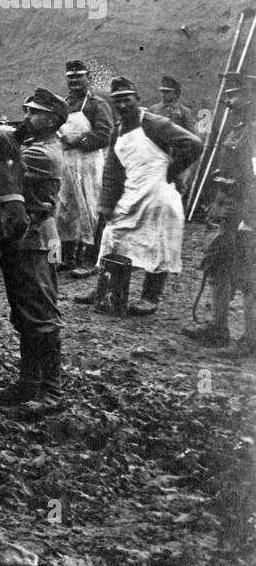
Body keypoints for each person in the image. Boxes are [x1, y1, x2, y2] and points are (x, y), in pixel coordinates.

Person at [0, 91, 67, 411]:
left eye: (34, 113)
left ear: (52, 120)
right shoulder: (35, 145)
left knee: (43, 316)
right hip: (27, 239)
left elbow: (2, 155)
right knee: (25, 314)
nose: (27, 117)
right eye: (28, 111)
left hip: (38, 241)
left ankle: (52, 393)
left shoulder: (42, 154)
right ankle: (28, 384)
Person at [75, 77, 202, 316]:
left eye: (126, 100)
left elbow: (193, 143)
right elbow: (112, 169)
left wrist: (173, 169)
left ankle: (150, 297)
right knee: (114, 236)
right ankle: (107, 286)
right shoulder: (119, 128)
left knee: (157, 242)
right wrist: (106, 202)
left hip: (159, 193)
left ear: (137, 99)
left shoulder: (155, 123)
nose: (122, 105)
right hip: (133, 192)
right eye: (117, 101)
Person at [183, 73, 256, 356]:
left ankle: (250, 341)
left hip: (246, 216)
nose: (227, 100)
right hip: (228, 212)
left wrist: (248, 219)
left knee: (249, 278)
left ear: (249, 98)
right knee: (217, 268)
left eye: (234, 94)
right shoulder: (237, 128)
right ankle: (217, 328)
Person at [56, 60, 114, 275]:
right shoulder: (63, 104)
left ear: (88, 78)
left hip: (88, 163)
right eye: (71, 77)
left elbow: (104, 134)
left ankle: (90, 261)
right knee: (65, 209)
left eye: (79, 76)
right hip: (66, 162)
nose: (75, 81)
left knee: (91, 209)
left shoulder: (97, 104)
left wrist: (77, 141)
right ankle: (66, 258)